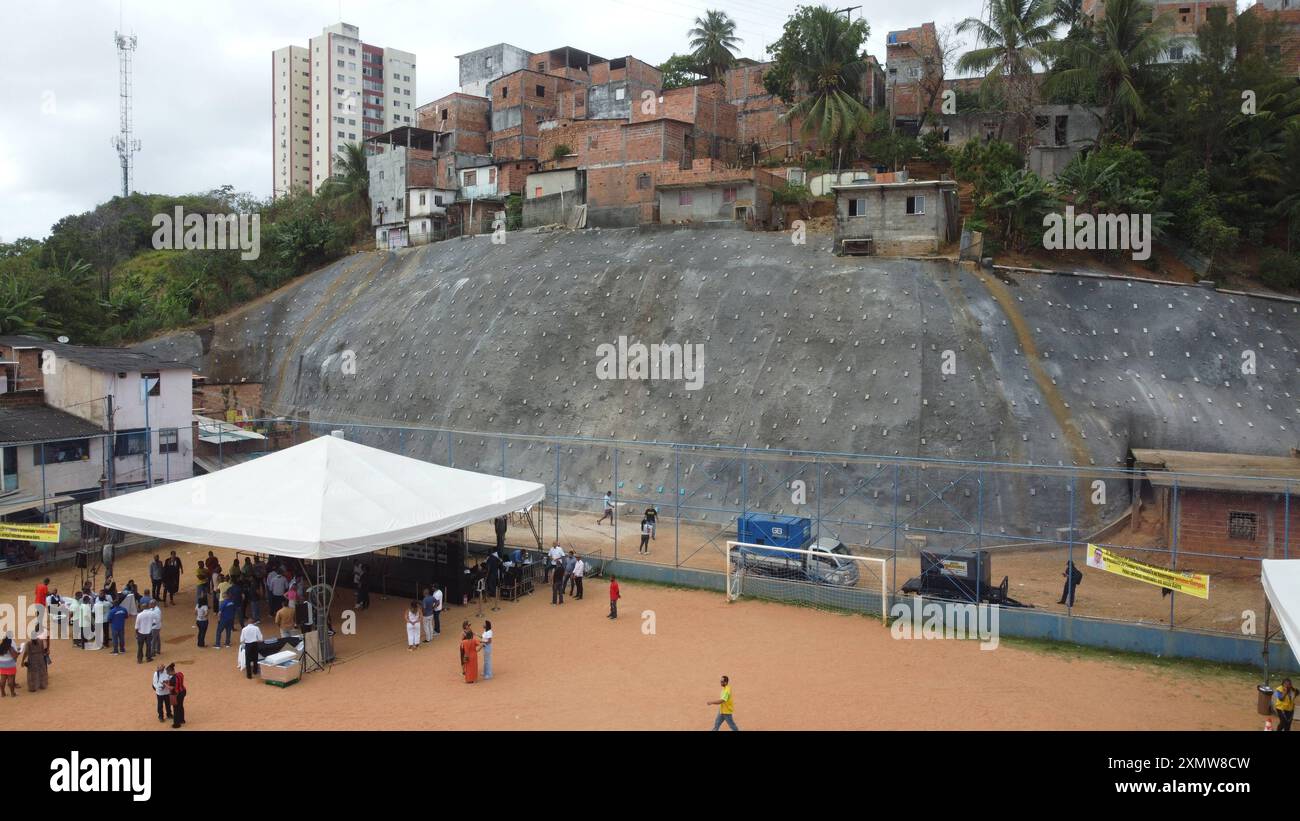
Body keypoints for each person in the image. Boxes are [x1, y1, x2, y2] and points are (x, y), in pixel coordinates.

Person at [19, 627, 49, 693]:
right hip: (40, 658)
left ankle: (32, 687)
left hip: (32, 659)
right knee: (41, 672)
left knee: (32, 674)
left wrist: (22, 661)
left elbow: (26, 653)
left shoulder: (29, 643)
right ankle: (42, 685)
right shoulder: (40, 641)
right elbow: (42, 650)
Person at [166, 663, 186, 728]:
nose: (167, 674)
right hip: (183, 691)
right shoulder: (180, 674)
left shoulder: (172, 679)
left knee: (176, 708)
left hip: (176, 694)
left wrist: (165, 684)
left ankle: (177, 724)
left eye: (168, 672)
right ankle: (182, 720)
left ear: (171, 671)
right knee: (181, 706)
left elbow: (171, 688)